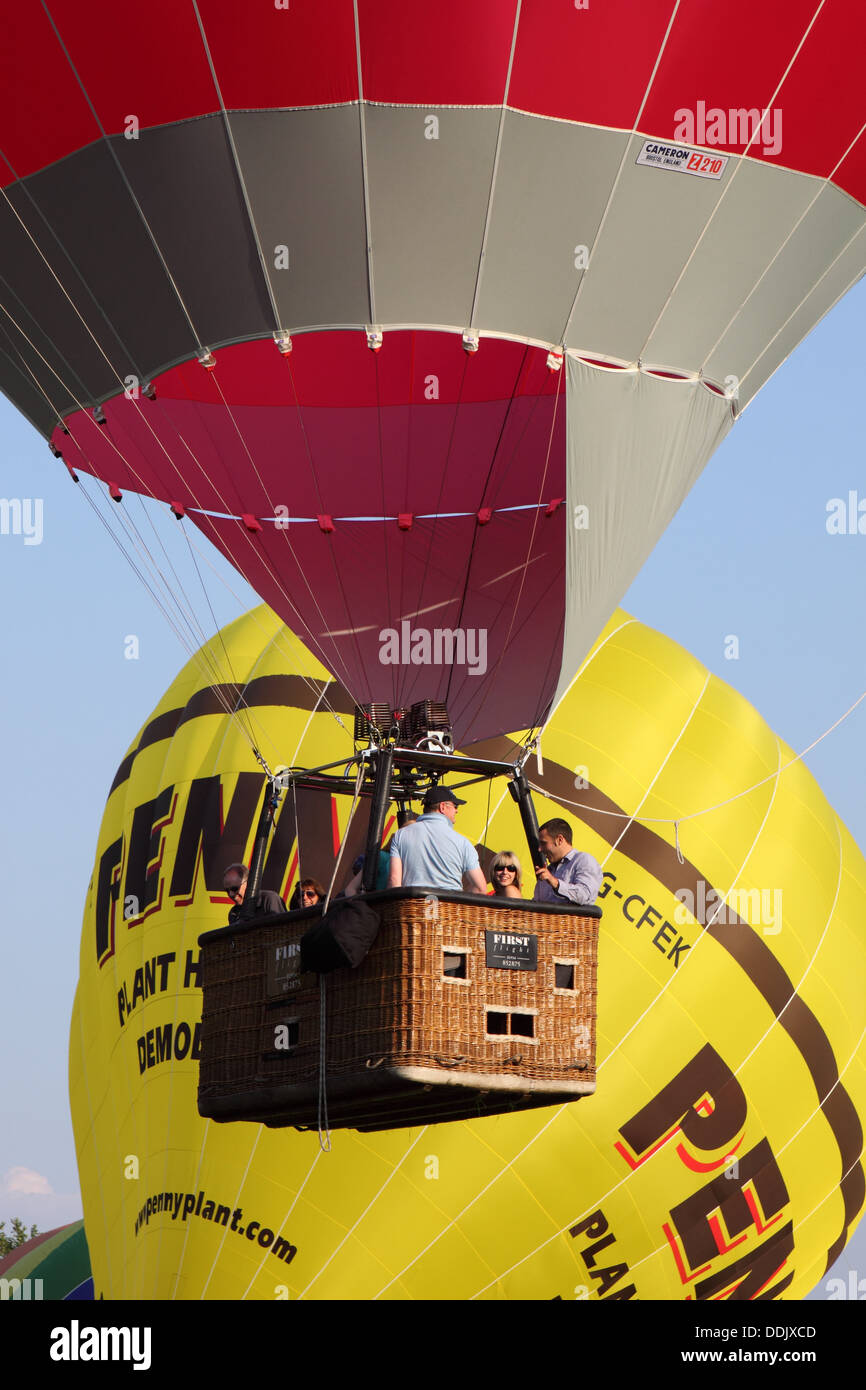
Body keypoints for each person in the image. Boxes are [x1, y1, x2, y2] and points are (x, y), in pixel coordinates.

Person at [389, 788, 487, 893]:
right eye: (455, 806)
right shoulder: (463, 842)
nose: (456, 810)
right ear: (442, 807)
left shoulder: (401, 834)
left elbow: (394, 880)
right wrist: (460, 899)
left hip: (413, 906)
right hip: (449, 907)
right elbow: (480, 888)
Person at [344, 811, 419, 896]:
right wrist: (360, 907)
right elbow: (350, 888)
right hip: (378, 906)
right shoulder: (381, 857)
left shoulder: (415, 861)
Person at [532, 819, 602, 906]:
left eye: (543, 843)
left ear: (559, 840)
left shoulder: (584, 860)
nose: (539, 849)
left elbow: (585, 895)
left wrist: (556, 883)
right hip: (544, 920)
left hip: (571, 919)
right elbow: (536, 905)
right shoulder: (547, 872)